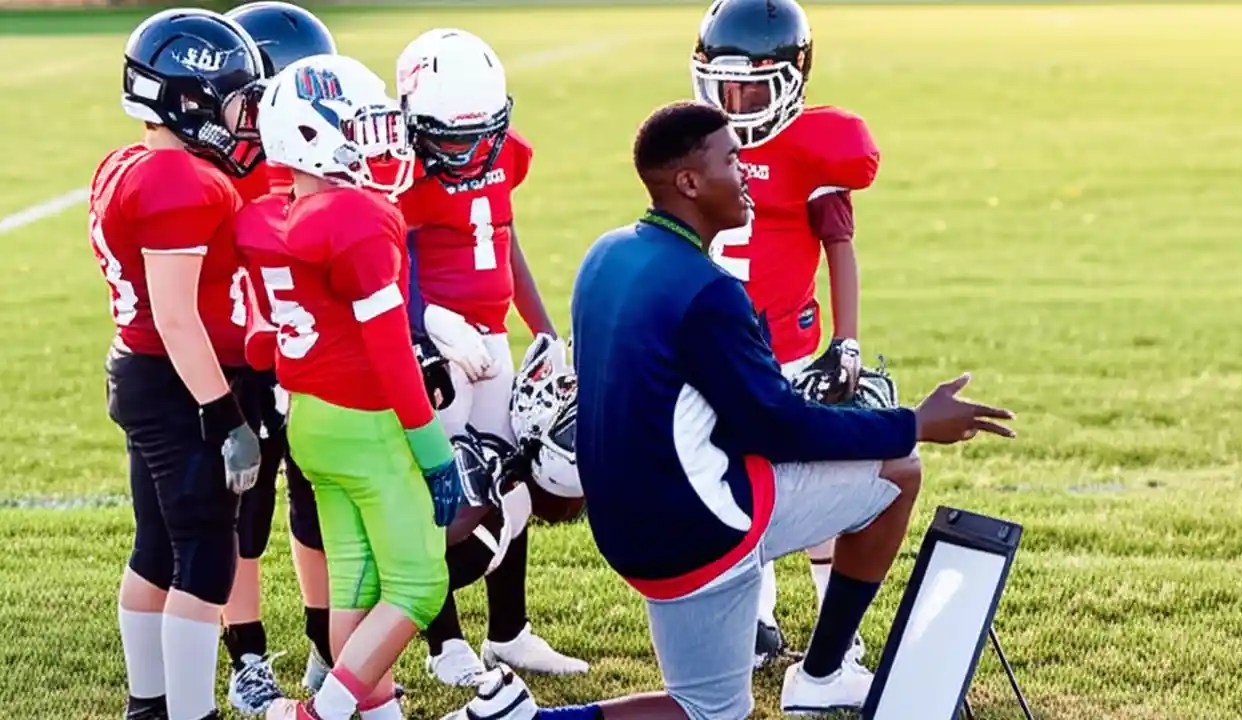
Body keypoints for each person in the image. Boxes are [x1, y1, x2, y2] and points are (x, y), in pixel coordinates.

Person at [448, 101, 1017, 720]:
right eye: (732, 160)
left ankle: (823, 675)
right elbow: (775, 428)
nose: (747, 173)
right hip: (693, 526)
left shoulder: (605, 254)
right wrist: (913, 423)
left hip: (623, 518)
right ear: (689, 183)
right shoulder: (709, 291)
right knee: (710, 710)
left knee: (884, 471)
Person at [249, 53, 461, 720]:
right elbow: (392, 352)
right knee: (421, 584)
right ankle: (322, 712)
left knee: (357, 583)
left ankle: (376, 713)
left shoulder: (266, 216)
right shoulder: (358, 220)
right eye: (359, 128)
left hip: (309, 423)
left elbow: (263, 334)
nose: (380, 144)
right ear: (310, 135)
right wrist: (432, 449)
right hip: (364, 423)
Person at [690, 0, 887, 667]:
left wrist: (849, 341)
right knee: (731, 485)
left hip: (789, 351)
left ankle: (839, 626)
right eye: (726, 85)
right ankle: (757, 620)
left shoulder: (811, 148)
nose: (737, 102)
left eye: (753, 86)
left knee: (811, 483)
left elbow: (840, 246)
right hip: (715, 353)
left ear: (792, 80)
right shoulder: (697, 145)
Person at [393, 27, 588, 685]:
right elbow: (385, 264)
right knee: (446, 495)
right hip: (435, 350)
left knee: (513, 475)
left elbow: (504, 237)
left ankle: (509, 631)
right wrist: (429, 327)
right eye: (455, 140)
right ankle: (443, 643)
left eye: (486, 135)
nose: (475, 154)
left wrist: (544, 331)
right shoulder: (399, 173)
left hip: (494, 340)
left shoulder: (508, 156)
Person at [92, 8, 267, 720]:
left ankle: (150, 705)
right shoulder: (174, 178)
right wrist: (227, 417)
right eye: (231, 98)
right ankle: (189, 712)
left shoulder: (129, 161)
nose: (242, 116)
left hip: (143, 370)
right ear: (187, 98)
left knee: (158, 548)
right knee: (203, 555)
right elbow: (175, 315)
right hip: (178, 381)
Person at [220, 2, 339, 712]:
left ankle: (326, 647)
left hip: (313, 352)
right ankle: (249, 654)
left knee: (317, 500)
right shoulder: (222, 169)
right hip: (243, 357)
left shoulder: (318, 161)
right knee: (245, 510)